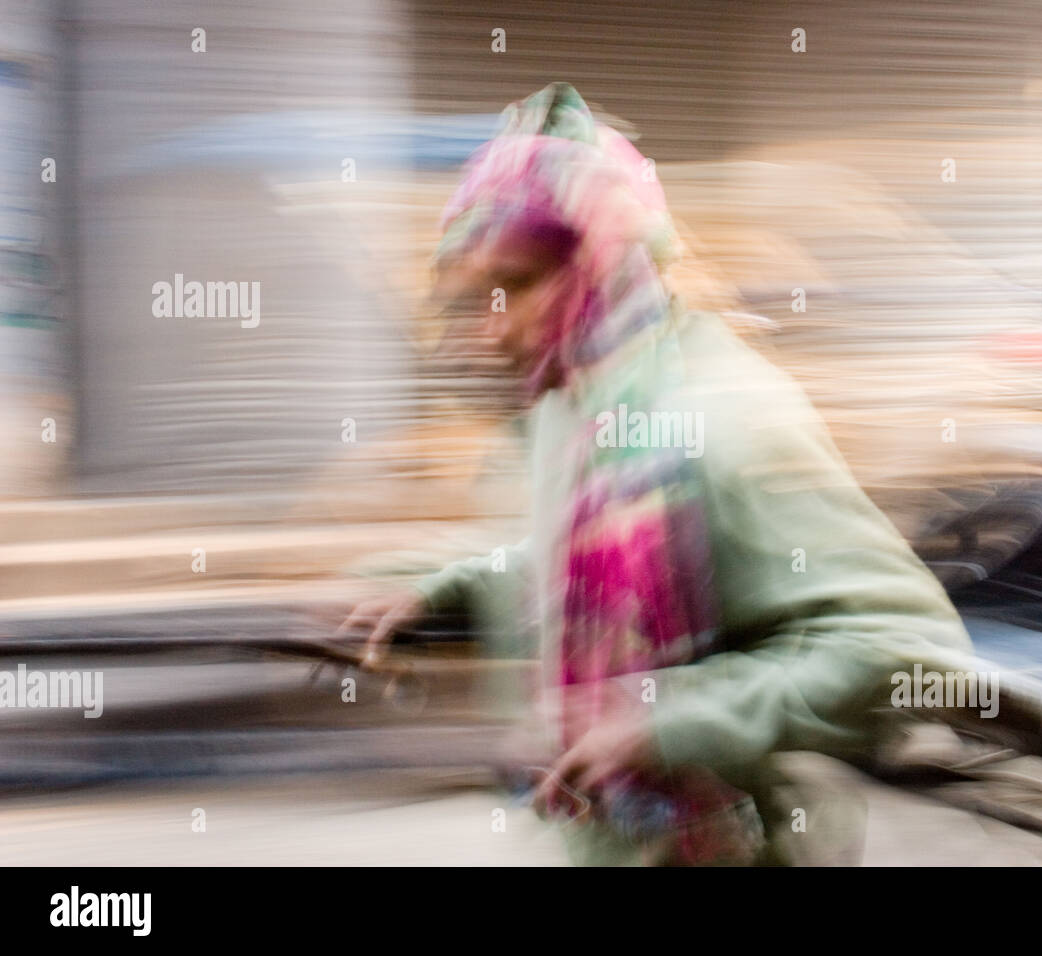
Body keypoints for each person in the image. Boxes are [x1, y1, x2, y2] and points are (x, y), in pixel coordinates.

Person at [339, 82, 975, 865]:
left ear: (601, 262)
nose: (492, 326)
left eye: (522, 282)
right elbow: (572, 559)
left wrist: (663, 720)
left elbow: (903, 647)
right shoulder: (569, 407)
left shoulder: (728, 417)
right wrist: (450, 589)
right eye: (478, 294)